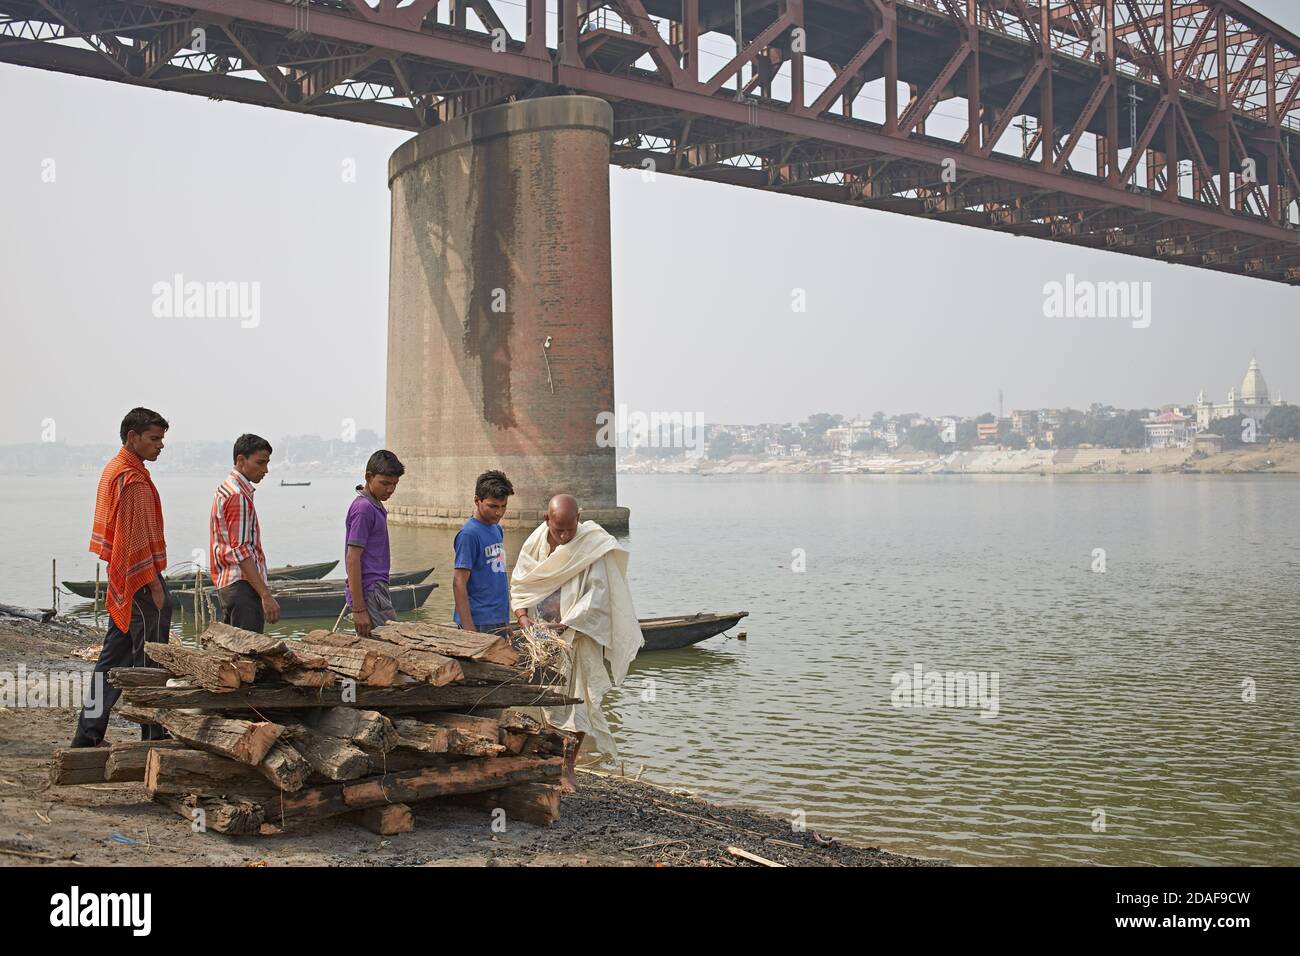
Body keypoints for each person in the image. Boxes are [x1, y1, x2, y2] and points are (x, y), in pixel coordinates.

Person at [511, 494, 643, 787]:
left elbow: (598, 597)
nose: (565, 535)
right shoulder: (534, 544)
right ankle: (551, 761)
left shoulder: (592, 543)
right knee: (548, 698)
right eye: (559, 530)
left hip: (579, 637)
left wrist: (568, 623)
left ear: (578, 520)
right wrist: (523, 619)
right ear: (547, 520)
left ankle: (569, 764)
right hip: (542, 637)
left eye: (570, 528)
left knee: (581, 700)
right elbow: (521, 583)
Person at [71, 408, 172, 747]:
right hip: (141, 582)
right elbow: (132, 541)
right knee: (151, 661)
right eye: (154, 439)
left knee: (111, 663)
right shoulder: (130, 479)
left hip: (126, 582)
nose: (160, 446)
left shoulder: (118, 470)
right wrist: (155, 585)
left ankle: (88, 735)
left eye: (161, 439)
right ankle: (153, 733)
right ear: (133, 437)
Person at [209, 434, 279, 632]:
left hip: (230, 585)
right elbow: (241, 551)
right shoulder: (237, 496)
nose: (265, 470)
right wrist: (265, 595)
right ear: (241, 460)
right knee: (248, 654)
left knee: (236, 653)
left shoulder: (227, 489)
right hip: (241, 586)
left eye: (266, 463)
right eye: (260, 463)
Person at [346, 450, 404, 637]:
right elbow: (353, 559)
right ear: (369, 477)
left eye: (394, 484)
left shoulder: (375, 505)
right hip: (370, 590)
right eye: (385, 483)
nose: (390, 489)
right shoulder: (364, 509)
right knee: (388, 645)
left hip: (377, 587)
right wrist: (359, 609)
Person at [451, 470, 513, 636]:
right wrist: (469, 630)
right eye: (492, 506)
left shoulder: (497, 529)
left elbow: (497, 578)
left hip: (497, 619)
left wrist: (505, 622)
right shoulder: (469, 535)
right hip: (479, 622)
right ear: (477, 501)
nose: (499, 512)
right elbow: (459, 582)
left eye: (503, 506)